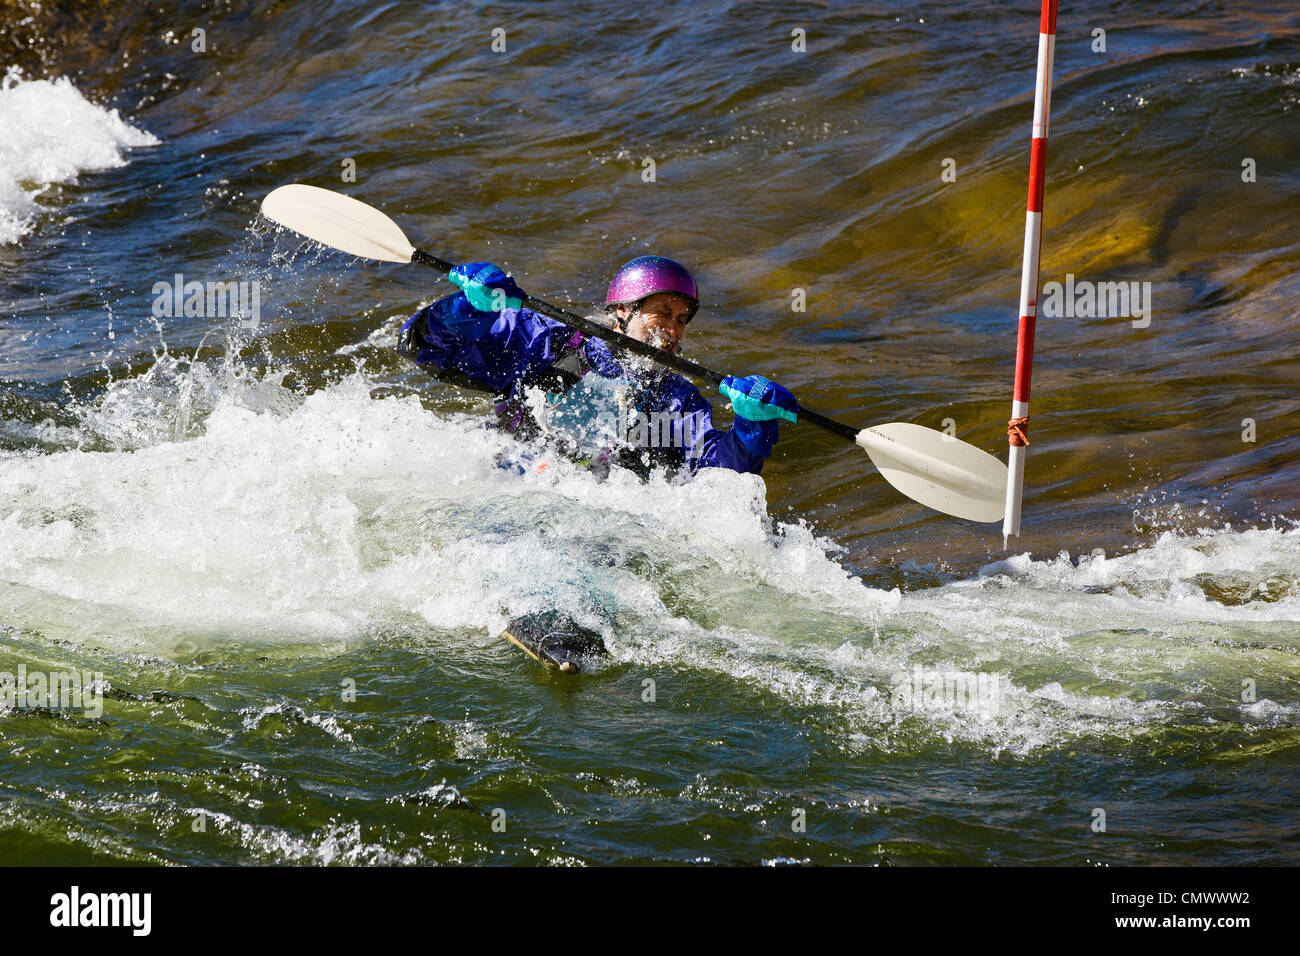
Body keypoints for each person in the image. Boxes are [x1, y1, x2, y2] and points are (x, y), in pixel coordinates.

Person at [397, 255, 799, 479]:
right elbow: (423, 346)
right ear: (622, 311)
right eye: (662, 313)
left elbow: (717, 472)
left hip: (587, 511)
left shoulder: (674, 400)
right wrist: (466, 307)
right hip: (502, 478)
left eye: (681, 319)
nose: (673, 330)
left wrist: (753, 428)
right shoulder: (548, 340)